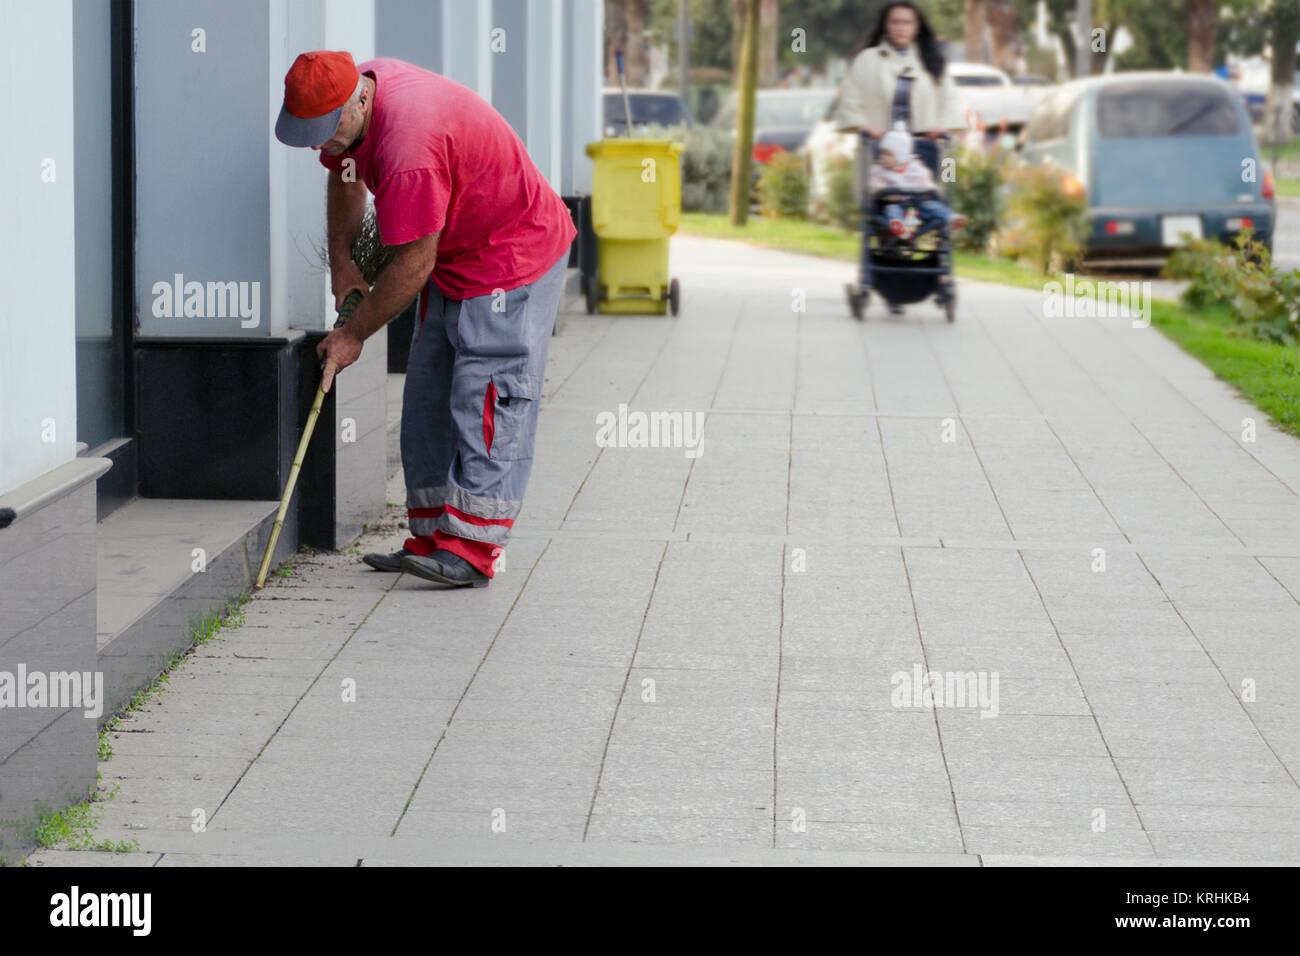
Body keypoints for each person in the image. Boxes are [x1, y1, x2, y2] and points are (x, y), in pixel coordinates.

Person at [274, 51, 576, 589]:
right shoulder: (355, 91)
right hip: (455, 250)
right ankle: (433, 536)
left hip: (511, 254)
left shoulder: (409, 145)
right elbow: (347, 173)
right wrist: (344, 267)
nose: (319, 144)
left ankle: (475, 546)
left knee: (487, 398)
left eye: (324, 131)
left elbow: (414, 263)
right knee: (429, 397)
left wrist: (352, 335)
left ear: (356, 101)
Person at [869, 129, 966, 242]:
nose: (882, 157)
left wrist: (931, 191)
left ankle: (950, 219)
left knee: (932, 206)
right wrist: (885, 193)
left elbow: (925, 180)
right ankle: (900, 226)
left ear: (901, 156)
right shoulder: (879, 171)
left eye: (888, 154)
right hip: (895, 203)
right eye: (882, 153)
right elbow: (875, 185)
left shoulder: (915, 167)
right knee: (892, 210)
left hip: (918, 204)